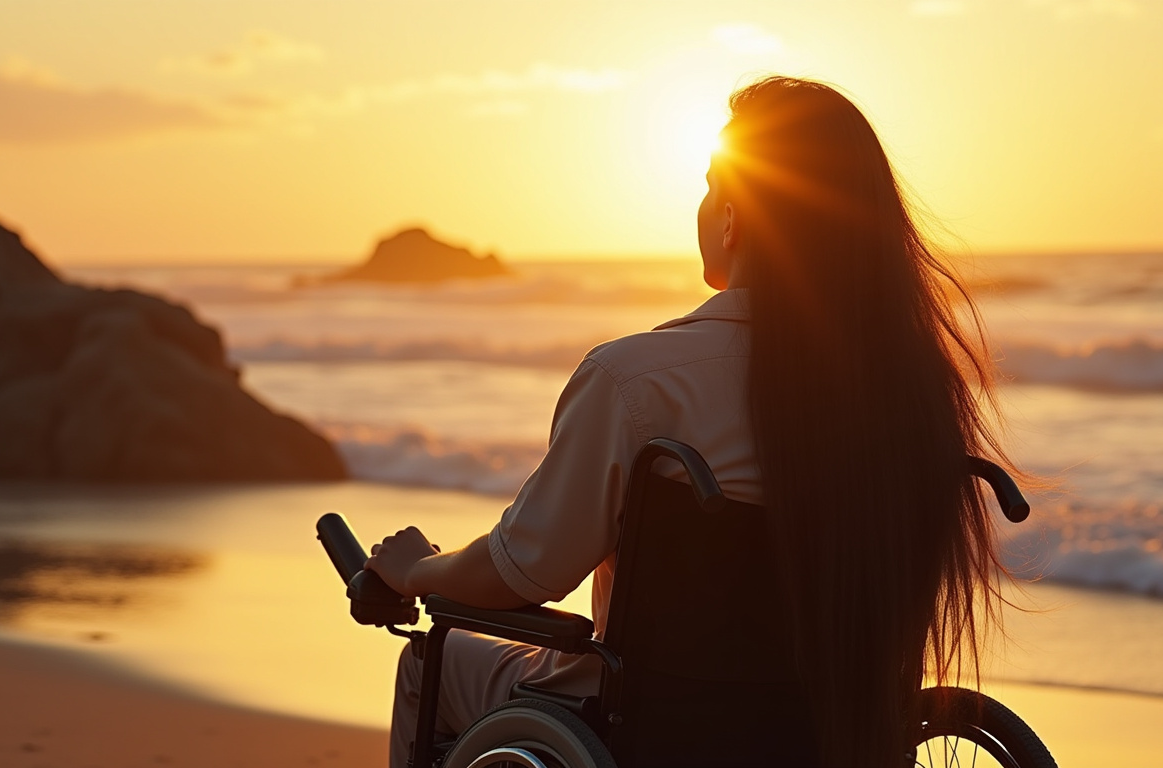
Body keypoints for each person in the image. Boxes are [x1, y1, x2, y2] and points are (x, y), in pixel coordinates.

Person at [365, 75, 1008, 768]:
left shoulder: (639, 381)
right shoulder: (917, 398)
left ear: (732, 216)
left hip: (650, 729)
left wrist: (419, 570)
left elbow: (522, 571)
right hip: (843, 738)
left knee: (433, 662)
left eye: (708, 185)